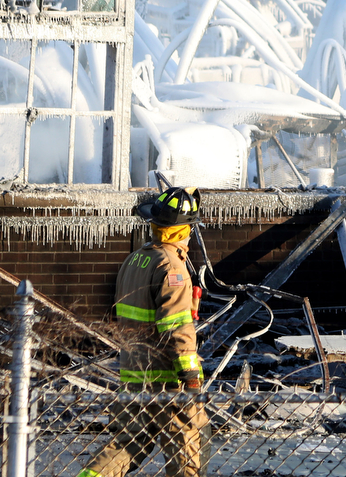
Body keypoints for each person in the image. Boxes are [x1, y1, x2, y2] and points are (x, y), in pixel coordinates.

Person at [78, 187, 208, 477]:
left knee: (129, 444)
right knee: (185, 446)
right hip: (166, 379)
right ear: (182, 230)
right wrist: (190, 374)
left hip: (133, 374)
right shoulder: (172, 267)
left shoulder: (134, 260)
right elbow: (176, 325)